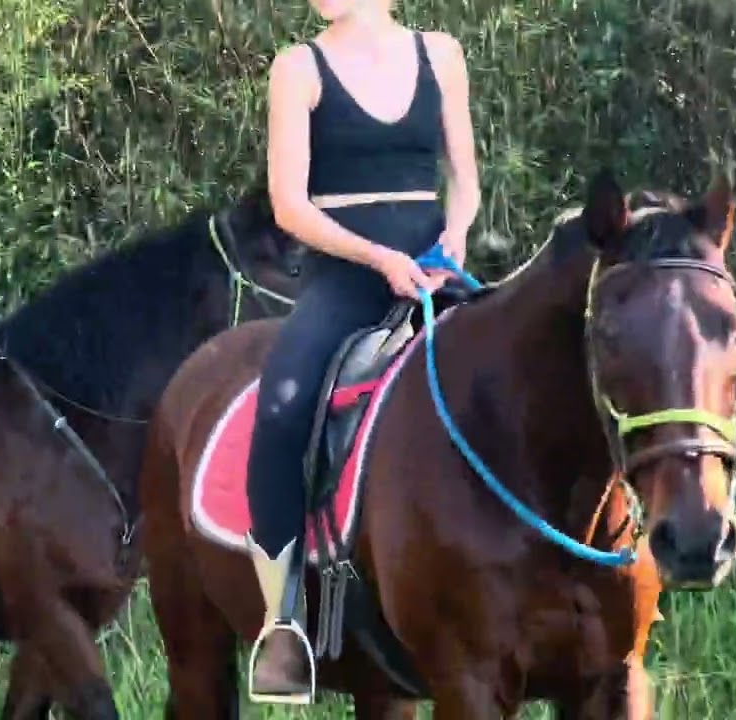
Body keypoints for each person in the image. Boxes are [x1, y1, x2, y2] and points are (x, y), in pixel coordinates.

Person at [243, 0, 481, 704]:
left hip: (435, 264)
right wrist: (379, 258)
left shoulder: (441, 53)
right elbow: (290, 206)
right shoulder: (298, 69)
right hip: (346, 274)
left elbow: (463, 179)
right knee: (283, 406)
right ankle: (281, 621)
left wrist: (453, 244)